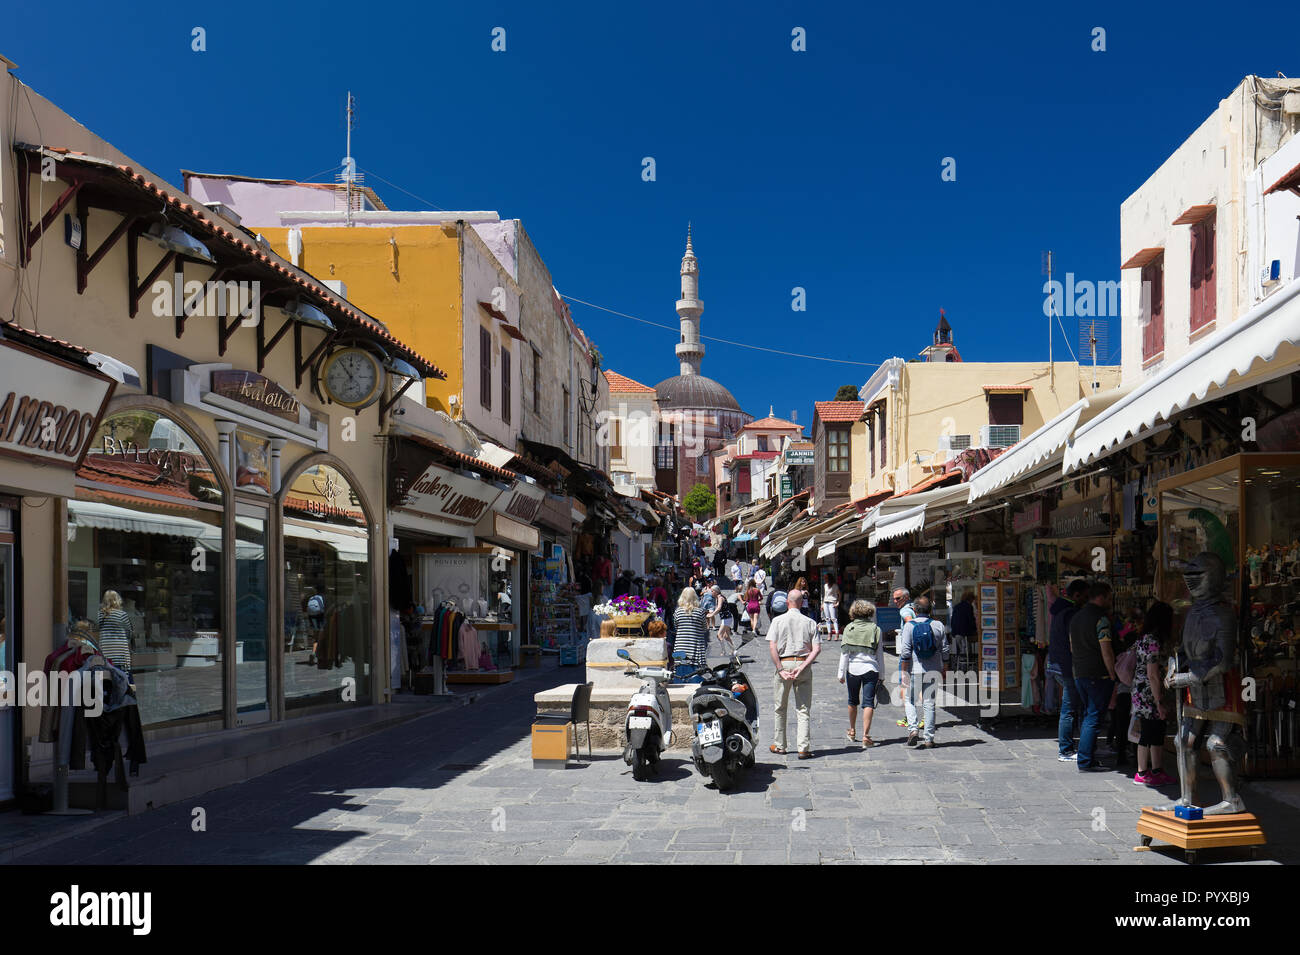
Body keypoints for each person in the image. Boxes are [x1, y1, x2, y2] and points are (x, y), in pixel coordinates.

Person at [1069, 581, 1118, 772]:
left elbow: (1072, 648)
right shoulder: (1101, 619)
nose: (1110, 601)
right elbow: (1106, 650)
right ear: (1102, 596)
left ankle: (1086, 755)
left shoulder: (1076, 618)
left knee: (1088, 714)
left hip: (1079, 673)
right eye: (1109, 597)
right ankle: (1085, 760)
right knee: (1094, 717)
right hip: (1098, 674)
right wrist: (1112, 673)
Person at [767, 589, 821, 758]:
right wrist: (804, 665)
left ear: (787, 602)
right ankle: (803, 748)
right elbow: (817, 649)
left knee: (780, 707)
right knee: (803, 709)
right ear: (801, 602)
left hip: (784, 661)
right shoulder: (810, 622)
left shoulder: (777, 620)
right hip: (802, 664)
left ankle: (780, 745)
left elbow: (772, 647)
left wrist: (780, 669)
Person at [1132, 601, 1175, 787]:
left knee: (1157, 731)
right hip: (1148, 692)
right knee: (1148, 732)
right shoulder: (1152, 640)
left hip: (1144, 689)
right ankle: (1142, 772)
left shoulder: (1145, 637)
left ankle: (1157, 770)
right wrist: (1159, 701)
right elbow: (1152, 674)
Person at [898, 595, 949, 748]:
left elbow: (905, 652)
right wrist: (945, 667)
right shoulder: (938, 625)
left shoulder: (909, 626)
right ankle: (929, 739)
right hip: (933, 669)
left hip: (914, 669)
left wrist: (903, 672)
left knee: (909, 700)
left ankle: (913, 729)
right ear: (930, 610)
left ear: (914, 610)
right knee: (929, 703)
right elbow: (945, 649)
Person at [1048, 579, 1089, 761]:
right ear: (1077, 595)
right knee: (1069, 707)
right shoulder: (1071, 613)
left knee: (1072, 706)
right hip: (1068, 666)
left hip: (1057, 663)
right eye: (1086, 595)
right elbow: (1074, 643)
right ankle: (1065, 749)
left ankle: (1075, 746)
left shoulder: (1059, 610)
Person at [838, 600, 882, 747]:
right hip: (871, 668)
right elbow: (879, 654)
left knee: (852, 700)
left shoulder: (849, 628)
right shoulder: (875, 629)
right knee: (868, 702)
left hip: (853, 669)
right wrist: (882, 675)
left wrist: (841, 673)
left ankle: (852, 730)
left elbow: (844, 653)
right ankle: (866, 736)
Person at [673, 587, 710, 678]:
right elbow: (705, 628)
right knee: (696, 675)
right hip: (695, 647)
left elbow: (676, 627)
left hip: (680, 646)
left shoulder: (677, 612)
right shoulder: (700, 612)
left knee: (680, 674)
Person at [97, 589, 134, 674]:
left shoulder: (100, 615)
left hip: (105, 654)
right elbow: (129, 634)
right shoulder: (122, 615)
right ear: (117, 600)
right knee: (121, 680)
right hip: (120, 654)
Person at [950, 589, 977, 670]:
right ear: (970, 599)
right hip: (965, 631)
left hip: (956, 632)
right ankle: (968, 662)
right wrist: (975, 629)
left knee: (961, 648)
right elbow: (970, 620)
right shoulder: (969, 606)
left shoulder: (956, 606)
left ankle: (961, 663)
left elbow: (953, 620)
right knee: (967, 647)